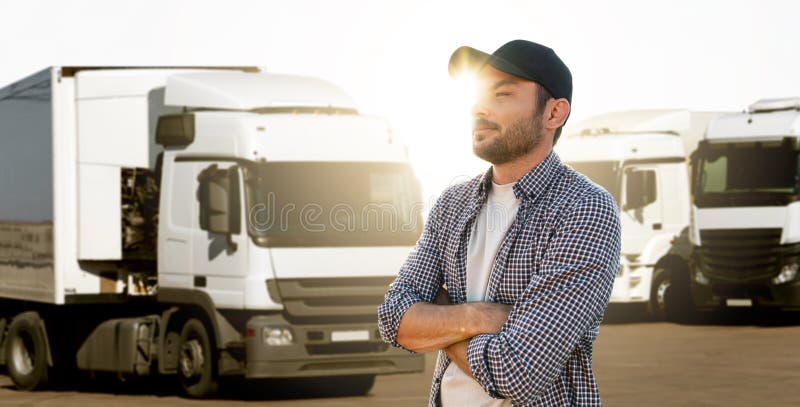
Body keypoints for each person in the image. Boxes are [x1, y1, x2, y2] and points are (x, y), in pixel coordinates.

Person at [377, 40, 622, 406]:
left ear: (554, 114)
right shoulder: (451, 205)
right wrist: (482, 316)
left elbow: (518, 371)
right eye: (478, 94)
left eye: (503, 93)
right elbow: (393, 318)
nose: (479, 107)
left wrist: (441, 321)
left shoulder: (585, 208)